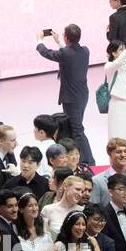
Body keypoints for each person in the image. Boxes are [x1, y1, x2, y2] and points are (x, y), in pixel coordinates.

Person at [36, 26, 94, 166]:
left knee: (78, 130)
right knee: (75, 128)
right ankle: (76, 157)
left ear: (66, 37)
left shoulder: (66, 54)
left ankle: (88, 161)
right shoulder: (84, 50)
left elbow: (47, 53)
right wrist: (59, 42)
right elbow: (67, 54)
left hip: (71, 98)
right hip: (81, 95)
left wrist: (39, 41)